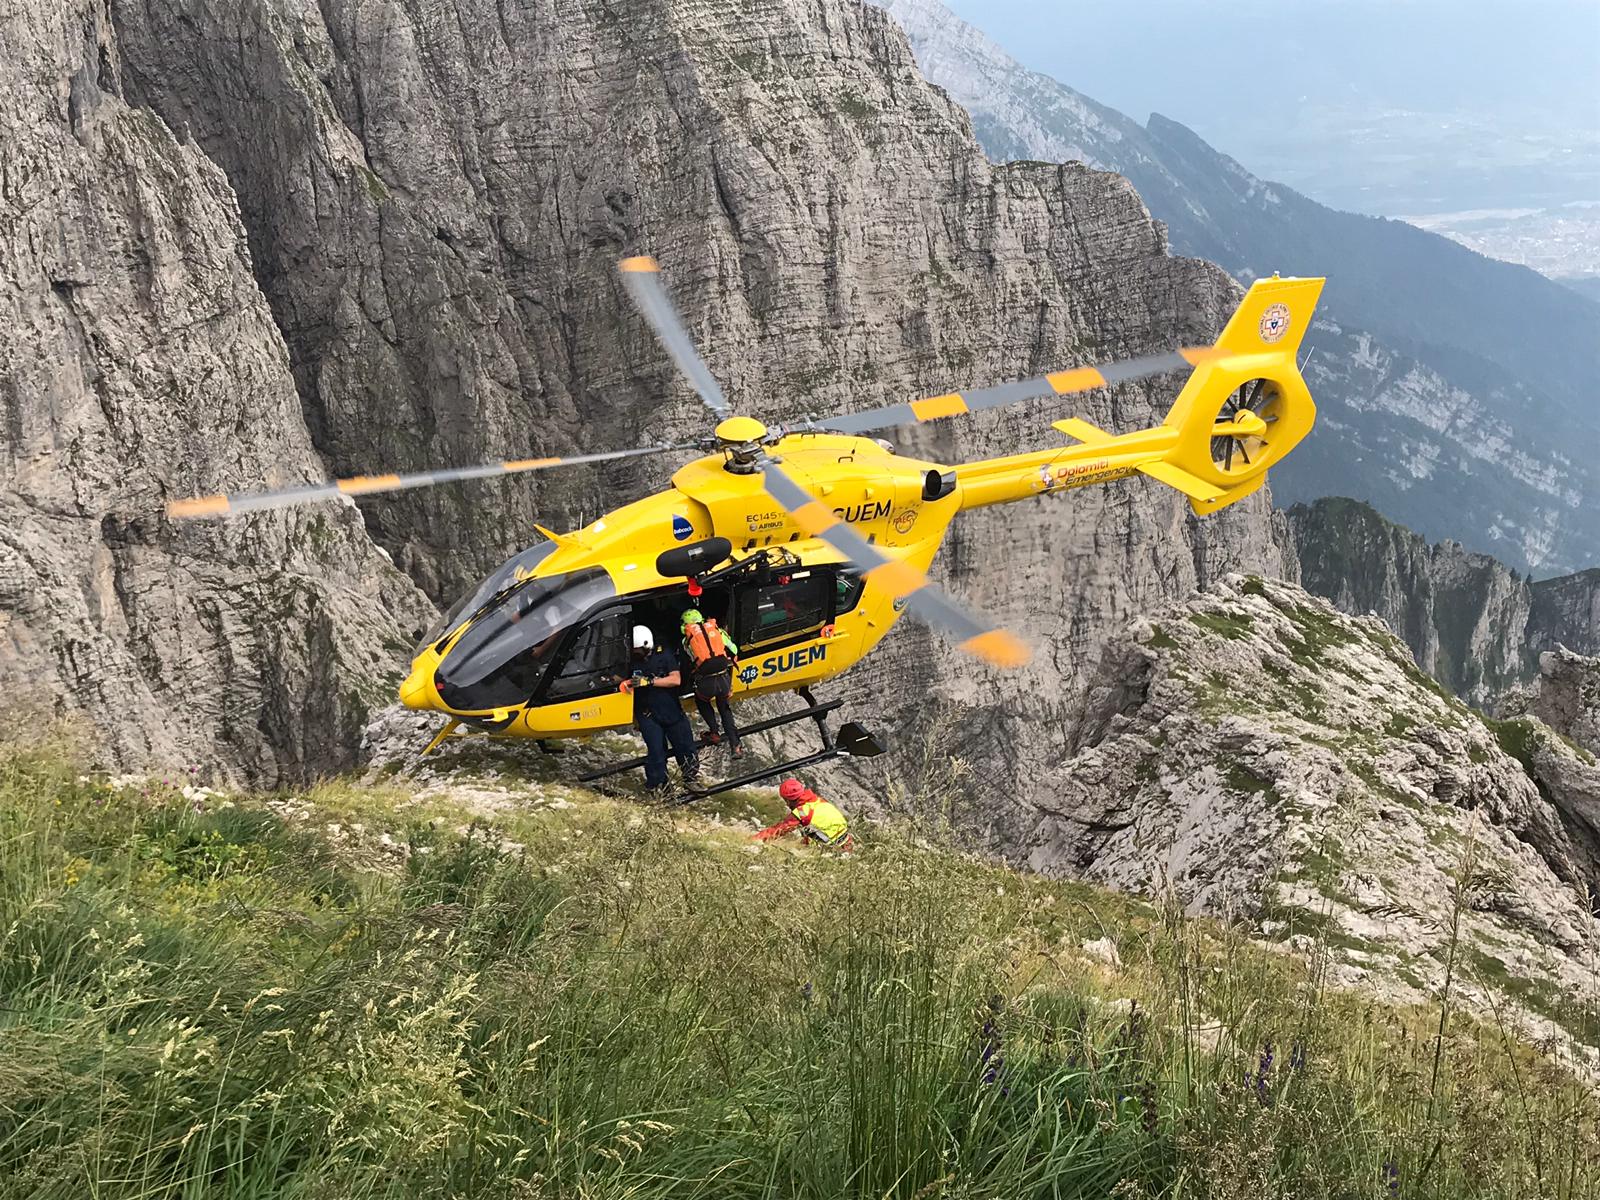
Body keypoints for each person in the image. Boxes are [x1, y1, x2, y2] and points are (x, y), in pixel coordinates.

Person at [617, 625, 699, 799]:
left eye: (639, 649)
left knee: (684, 745)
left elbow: (675, 679)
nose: (636, 652)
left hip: (670, 710)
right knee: (655, 751)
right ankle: (658, 784)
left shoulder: (664, 656)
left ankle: (690, 777)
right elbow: (622, 678)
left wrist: (649, 682)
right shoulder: (630, 661)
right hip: (647, 714)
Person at [679, 607, 742, 756]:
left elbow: (688, 661)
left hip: (705, 682)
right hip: (723, 678)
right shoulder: (717, 630)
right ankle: (736, 746)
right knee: (724, 708)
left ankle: (714, 732)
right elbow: (734, 649)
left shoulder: (686, 640)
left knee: (702, 701)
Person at [754, 777, 852, 850]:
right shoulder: (819, 801)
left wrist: (752, 839)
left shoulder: (802, 812)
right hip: (847, 842)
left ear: (787, 800)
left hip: (830, 848)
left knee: (801, 837)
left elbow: (778, 831)